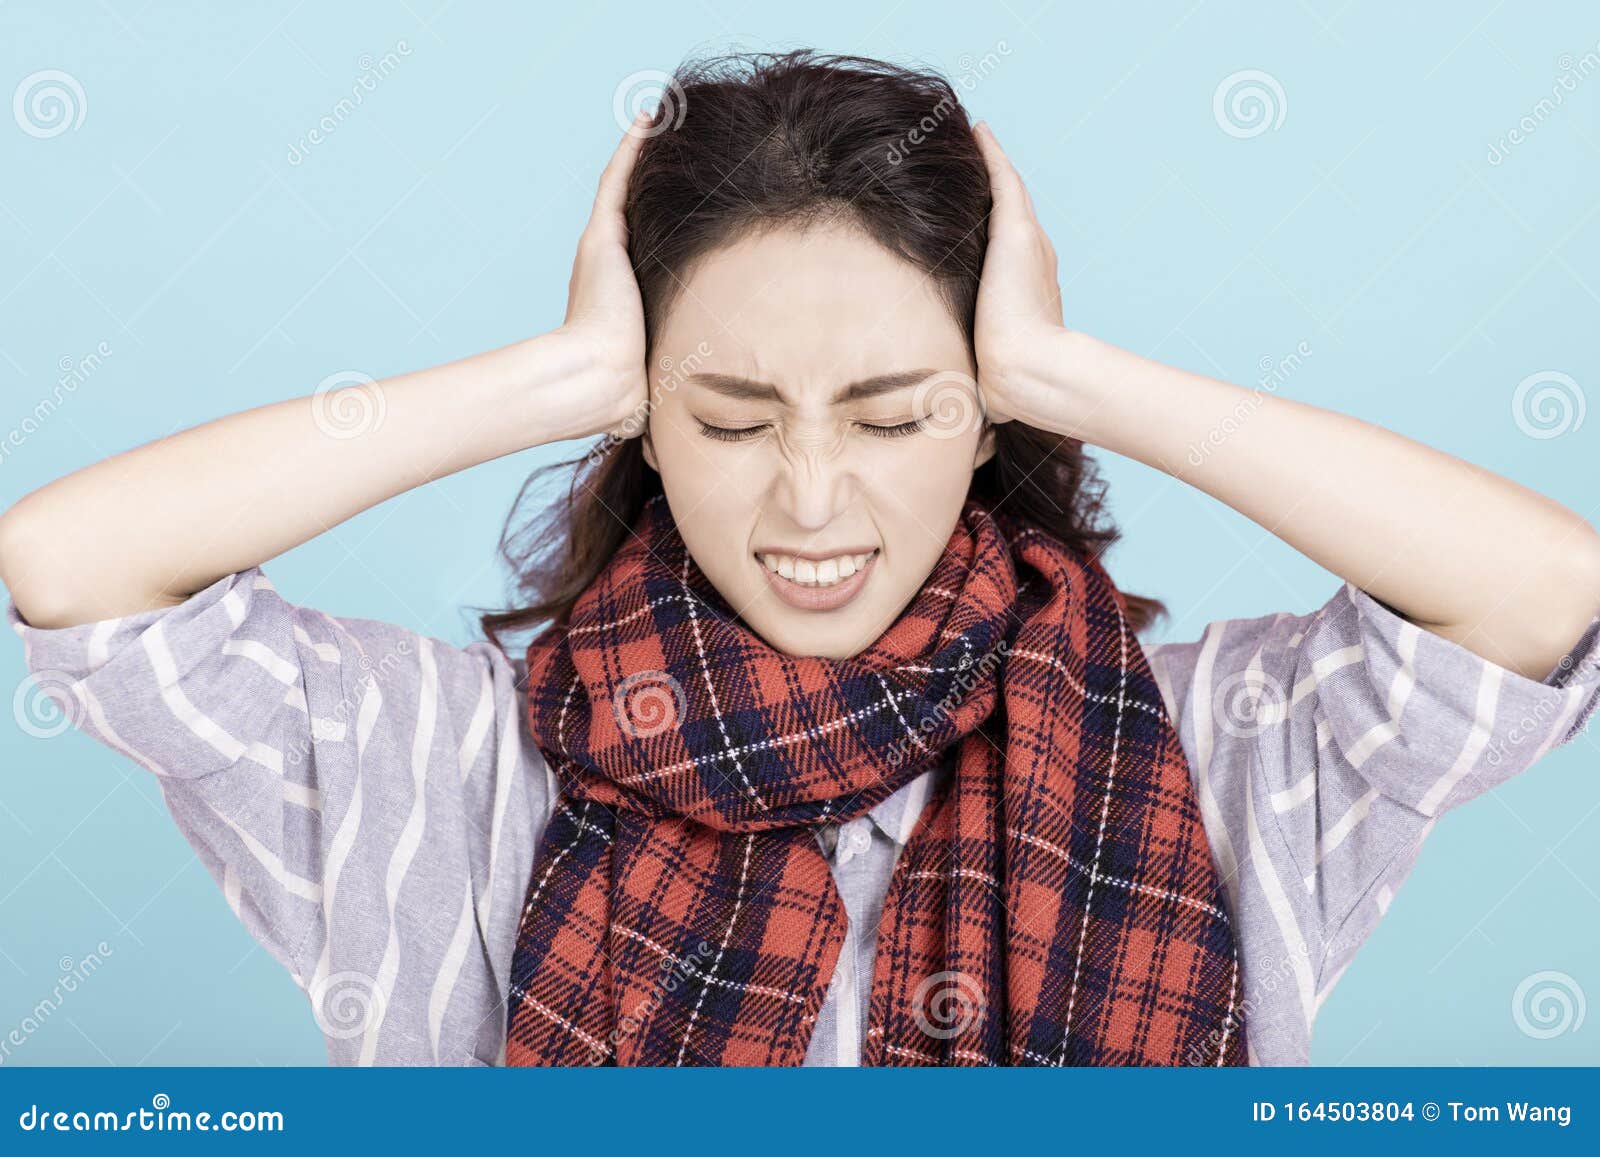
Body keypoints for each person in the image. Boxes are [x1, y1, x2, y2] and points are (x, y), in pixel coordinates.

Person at [3, 51, 1598, 1067]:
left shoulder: (1207, 749)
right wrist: (549, 383)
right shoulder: (451, 766)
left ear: (985, 415)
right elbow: (73, 564)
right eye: (733, 415)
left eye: (897, 414)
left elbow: (1537, 594)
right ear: (646, 417)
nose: (813, 498)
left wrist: (1070, 375)